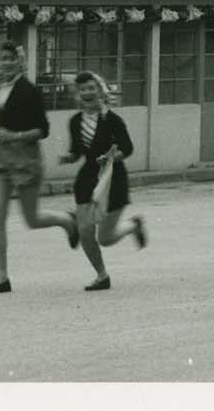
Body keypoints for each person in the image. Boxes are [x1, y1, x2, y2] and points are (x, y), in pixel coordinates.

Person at [0, 41, 78, 294]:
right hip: (2, 159)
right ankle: (2, 277)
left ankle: (66, 220)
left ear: (20, 61)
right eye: (2, 58)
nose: (6, 63)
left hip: (26, 158)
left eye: (11, 58)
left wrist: (16, 136)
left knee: (31, 220)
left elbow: (43, 129)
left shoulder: (28, 90)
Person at [58, 71, 147, 291]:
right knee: (86, 230)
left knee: (105, 238)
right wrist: (69, 157)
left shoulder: (113, 119)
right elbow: (77, 151)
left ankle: (133, 225)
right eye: (82, 90)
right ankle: (102, 275)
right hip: (88, 178)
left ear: (100, 90)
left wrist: (110, 158)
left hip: (112, 179)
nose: (87, 93)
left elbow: (127, 148)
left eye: (91, 88)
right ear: (78, 95)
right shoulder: (75, 121)